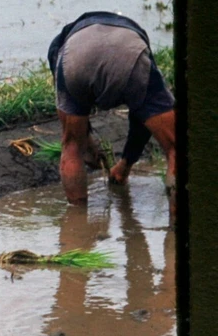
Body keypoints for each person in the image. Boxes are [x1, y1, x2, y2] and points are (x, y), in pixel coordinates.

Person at [47, 11, 176, 215]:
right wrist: (125, 165)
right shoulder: (131, 32)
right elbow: (141, 118)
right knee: (174, 147)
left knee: (71, 146)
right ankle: (176, 230)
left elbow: (73, 115)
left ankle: (77, 224)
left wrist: (85, 144)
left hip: (75, 58)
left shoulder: (59, 49)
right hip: (129, 54)